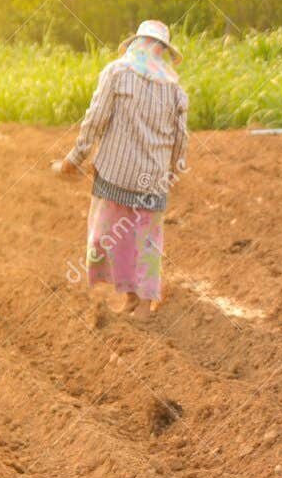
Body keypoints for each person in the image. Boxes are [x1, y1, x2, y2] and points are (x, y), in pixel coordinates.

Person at [52, 20, 188, 315]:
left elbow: (96, 119)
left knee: (112, 237)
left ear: (136, 44)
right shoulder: (174, 89)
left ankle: (129, 296)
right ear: (162, 51)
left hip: (115, 173)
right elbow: (181, 138)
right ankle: (141, 303)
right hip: (153, 179)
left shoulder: (116, 72)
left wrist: (74, 158)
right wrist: (172, 173)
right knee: (147, 240)